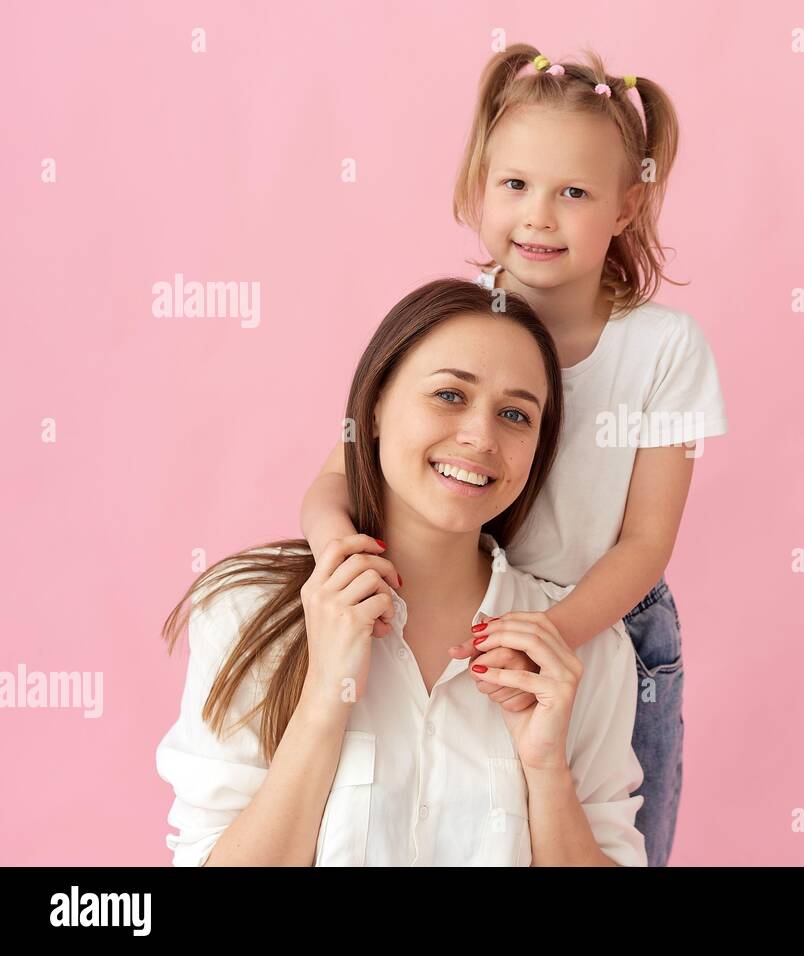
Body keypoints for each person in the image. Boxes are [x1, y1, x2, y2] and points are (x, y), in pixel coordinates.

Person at [300, 43, 728, 867]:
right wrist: (335, 557)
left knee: (610, 834)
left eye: (573, 193)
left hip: (600, 627)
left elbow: (647, 542)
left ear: (627, 206)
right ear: (478, 187)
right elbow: (334, 478)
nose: (537, 217)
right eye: (516, 186)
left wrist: (549, 637)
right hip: (453, 603)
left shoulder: (664, 348)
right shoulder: (455, 328)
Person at [156, 278, 647, 866]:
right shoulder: (244, 610)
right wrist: (323, 697)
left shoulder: (588, 655)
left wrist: (546, 770)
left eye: (515, 414)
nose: (480, 436)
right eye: (448, 395)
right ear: (377, 406)